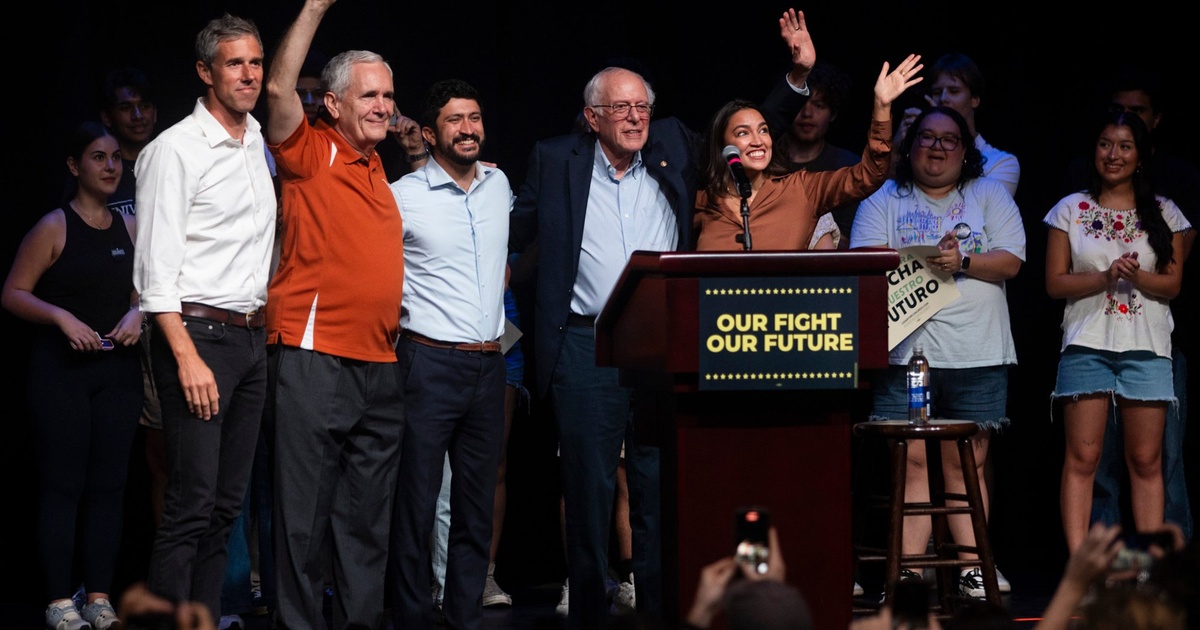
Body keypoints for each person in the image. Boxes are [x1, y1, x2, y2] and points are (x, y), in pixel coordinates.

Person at [509, 10, 814, 628]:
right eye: (621, 108)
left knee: (656, 484)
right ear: (592, 116)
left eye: (642, 106)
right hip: (586, 343)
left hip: (659, 345)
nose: (635, 117)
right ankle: (589, 610)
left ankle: (659, 611)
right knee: (590, 489)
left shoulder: (673, 144)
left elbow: (746, 132)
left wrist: (797, 78)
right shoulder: (555, 159)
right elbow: (515, 232)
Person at [264, 0, 406, 626]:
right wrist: (315, 8)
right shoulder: (311, 150)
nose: (383, 106)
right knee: (303, 525)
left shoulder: (376, 167)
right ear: (332, 103)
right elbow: (276, 89)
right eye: (369, 95)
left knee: (367, 526)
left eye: (388, 96)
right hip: (315, 359)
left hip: (380, 366)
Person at [851, 106, 1026, 599]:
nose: (937, 147)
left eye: (950, 139)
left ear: (965, 151)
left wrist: (962, 259)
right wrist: (927, 259)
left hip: (978, 351)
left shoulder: (988, 194)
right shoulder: (884, 197)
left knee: (964, 464)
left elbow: (1011, 261)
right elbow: (865, 263)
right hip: (907, 357)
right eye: (927, 137)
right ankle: (906, 574)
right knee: (911, 464)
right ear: (910, 146)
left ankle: (973, 569)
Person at [133, 12, 275, 622]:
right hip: (196, 335)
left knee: (224, 507)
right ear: (205, 71)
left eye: (256, 62)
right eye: (234, 63)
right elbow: (154, 274)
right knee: (191, 504)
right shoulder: (174, 150)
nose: (248, 74)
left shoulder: (255, 139)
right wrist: (186, 356)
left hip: (249, 338)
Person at [3, 122, 142, 630]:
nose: (110, 166)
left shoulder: (129, 226)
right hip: (62, 376)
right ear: (74, 166)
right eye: (98, 157)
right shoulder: (55, 226)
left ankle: (98, 598)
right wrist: (62, 318)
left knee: (110, 487)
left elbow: (143, 291)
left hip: (117, 374)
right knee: (64, 486)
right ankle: (60, 601)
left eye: (115, 158)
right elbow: (13, 293)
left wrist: (139, 313)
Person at [386, 78, 513, 630]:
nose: (468, 129)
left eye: (475, 117)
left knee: (475, 507)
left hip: (489, 363)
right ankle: (411, 618)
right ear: (430, 133)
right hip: (427, 363)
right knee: (415, 504)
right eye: (455, 120)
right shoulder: (403, 195)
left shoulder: (499, 184)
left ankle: (464, 617)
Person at [1061, 65, 1198, 543]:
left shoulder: (1166, 212)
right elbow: (1055, 283)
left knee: (1146, 460)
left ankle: (1151, 571)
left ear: (1140, 154)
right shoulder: (1070, 208)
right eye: (1105, 144)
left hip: (1147, 347)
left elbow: (1173, 284)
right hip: (1087, 343)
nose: (1113, 154)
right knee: (1084, 458)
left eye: (1124, 146)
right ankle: (1081, 568)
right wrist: (1104, 277)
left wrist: (1137, 276)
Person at [693, 53, 922, 251]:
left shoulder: (800, 190)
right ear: (723, 146)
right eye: (743, 133)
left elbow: (869, 175)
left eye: (763, 130)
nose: (758, 141)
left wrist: (881, 106)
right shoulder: (701, 201)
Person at [895, 53, 1019, 198]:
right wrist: (897, 149)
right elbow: (888, 196)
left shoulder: (1001, 163)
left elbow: (983, 207)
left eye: (953, 91)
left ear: (974, 99)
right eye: (937, 92)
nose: (943, 99)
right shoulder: (920, 154)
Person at [777, 60, 862, 243]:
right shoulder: (766, 162)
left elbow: (851, 240)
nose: (807, 113)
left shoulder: (848, 166)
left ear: (833, 114)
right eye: (800, 103)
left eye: (819, 105)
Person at [99, 67, 157, 216]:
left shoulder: (170, 163)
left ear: (155, 113)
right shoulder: (101, 172)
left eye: (144, 106)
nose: (137, 116)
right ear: (107, 117)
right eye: (126, 108)